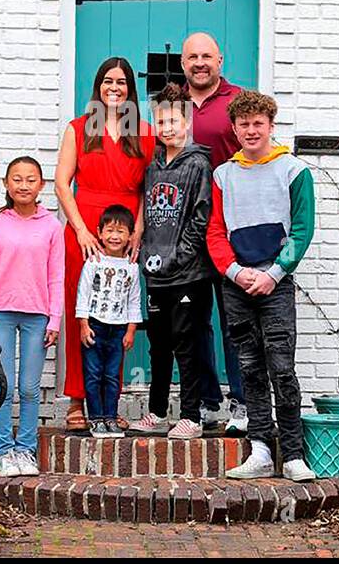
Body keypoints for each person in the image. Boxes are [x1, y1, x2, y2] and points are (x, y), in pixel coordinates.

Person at [207, 90, 317, 482]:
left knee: (281, 367)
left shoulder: (294, 171)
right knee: (250, 368)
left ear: (271, 126)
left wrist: (274, 273)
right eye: (244, 124)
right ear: (234, 130)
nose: (251, 131)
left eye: (258, 123)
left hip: (276, 283)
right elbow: (216, 232)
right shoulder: (223, 175)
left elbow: (302, 231)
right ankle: (261, 450)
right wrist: (236, 272)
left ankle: (293, 454)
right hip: (237, 284)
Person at [54, 57, 155, 431]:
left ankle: (108, 406)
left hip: (123, 235)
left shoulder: (142, 132)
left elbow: (147, 189)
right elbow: (62, 184)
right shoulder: (79, 129)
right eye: (108, 81)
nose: (114, 87)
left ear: (131, 89)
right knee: (83, 313)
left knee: (116, 316)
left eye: (122, 82)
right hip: (84, 231)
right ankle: (77, 401)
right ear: (98, 87)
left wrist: (140, 231)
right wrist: (80, 229)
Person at [130, 84, 215, 440]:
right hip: (157, 274)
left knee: (187, 342)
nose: (166, 128)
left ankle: (192, 416)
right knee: (159, 344)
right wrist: (151, 254)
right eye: (160, 121)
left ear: (187, 122)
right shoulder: (153, 169)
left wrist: (179, 257)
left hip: (188, 274)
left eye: (173, 120)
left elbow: (200, 217)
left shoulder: (198, 164)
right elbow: (150, 216)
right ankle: (157, 412)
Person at [0, 156, 64, 478]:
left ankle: (25, 449)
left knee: (28, 387)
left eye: (30, 179)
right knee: (3, 385)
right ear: (6, 184)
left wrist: (54, 320)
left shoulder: (52, 226)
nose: (23, 185)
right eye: (17, 179)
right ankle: (4, 451)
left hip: (37, 316)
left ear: (41, 186)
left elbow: (57, 277)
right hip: (0, 313)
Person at [180, 32, 248, 433]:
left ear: (220, 60)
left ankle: (242, 403)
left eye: (207, 56)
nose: (200, 63)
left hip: (229, 227)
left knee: (234, 320)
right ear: (183, 63)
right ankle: (207, 402)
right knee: (192, 321)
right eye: (193, 57)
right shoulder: (172, 105)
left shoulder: (238, 100)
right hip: (186, 232)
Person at [75, 205, 142, 438]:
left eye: (121, 231)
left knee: (112, 375)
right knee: (93, 374)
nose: (115, 236)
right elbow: (82, 294)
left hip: (118, 328)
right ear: (99, 233)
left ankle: (111, 417)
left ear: (131, 236)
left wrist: (131, 330)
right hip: (94, 325)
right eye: (110, 231)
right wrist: (83, 324)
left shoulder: (132, 267)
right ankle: (96, 418)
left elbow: (134, 300)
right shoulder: (94, 262)